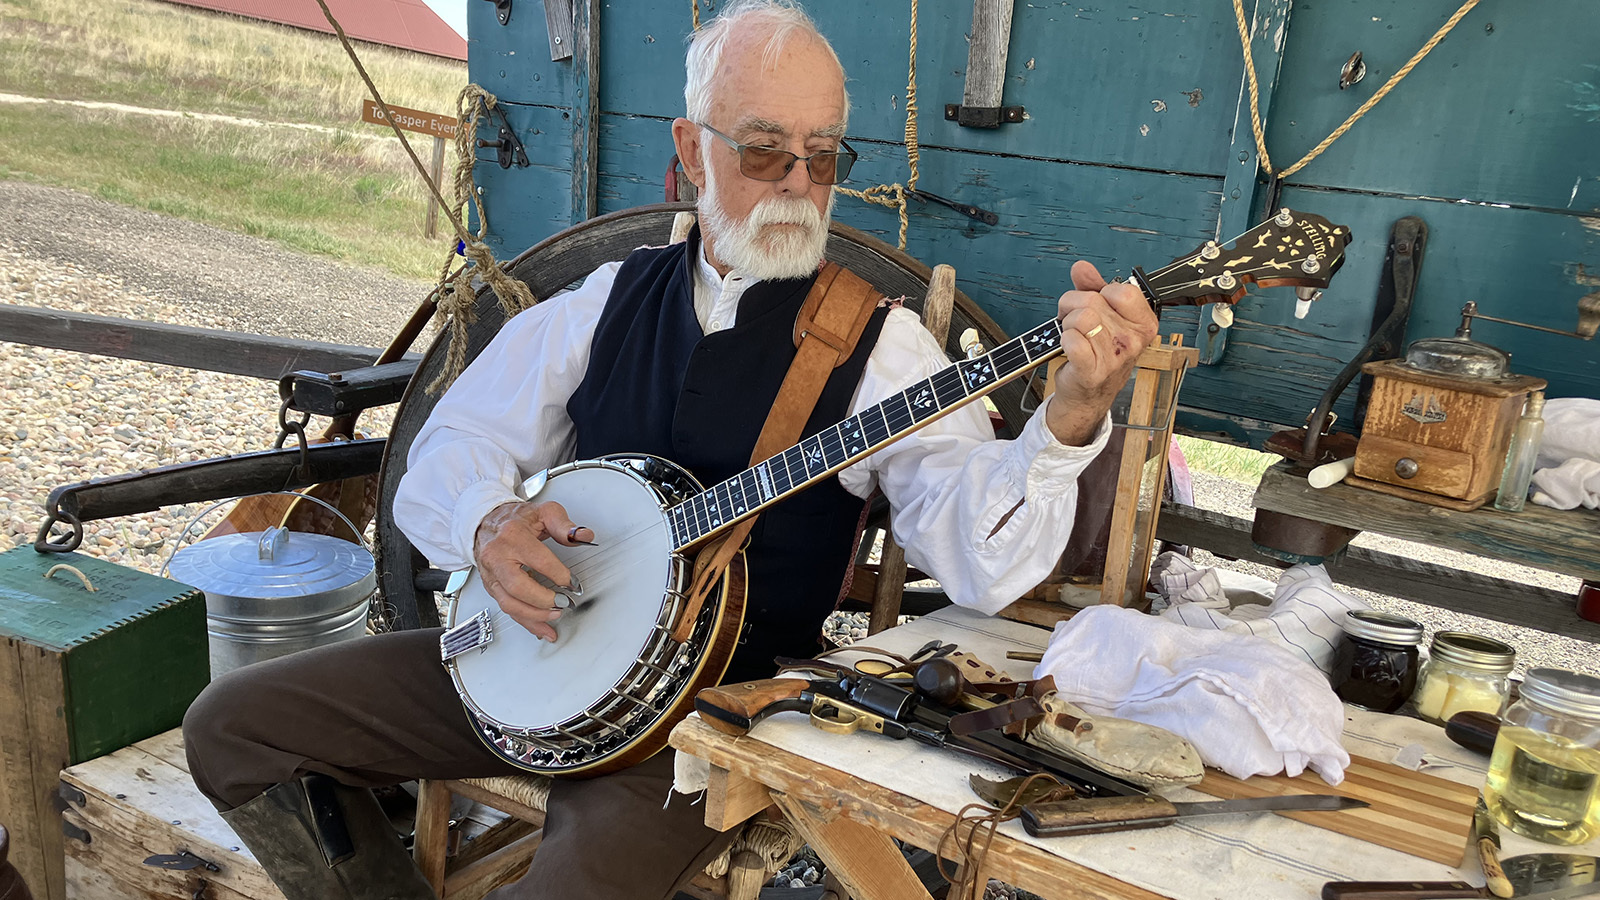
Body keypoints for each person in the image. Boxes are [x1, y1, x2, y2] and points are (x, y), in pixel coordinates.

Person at [182, 2, 1159, 899]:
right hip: (529, 650)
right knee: (232, 728)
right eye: (764, 150)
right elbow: (456, 439)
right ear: (692, 149)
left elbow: (981, 558)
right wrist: (489, 521)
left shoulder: (880, 346)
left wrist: (1069, 412)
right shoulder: (608, 299)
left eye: (822, 156)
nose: (796, 184)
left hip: (697, 727)